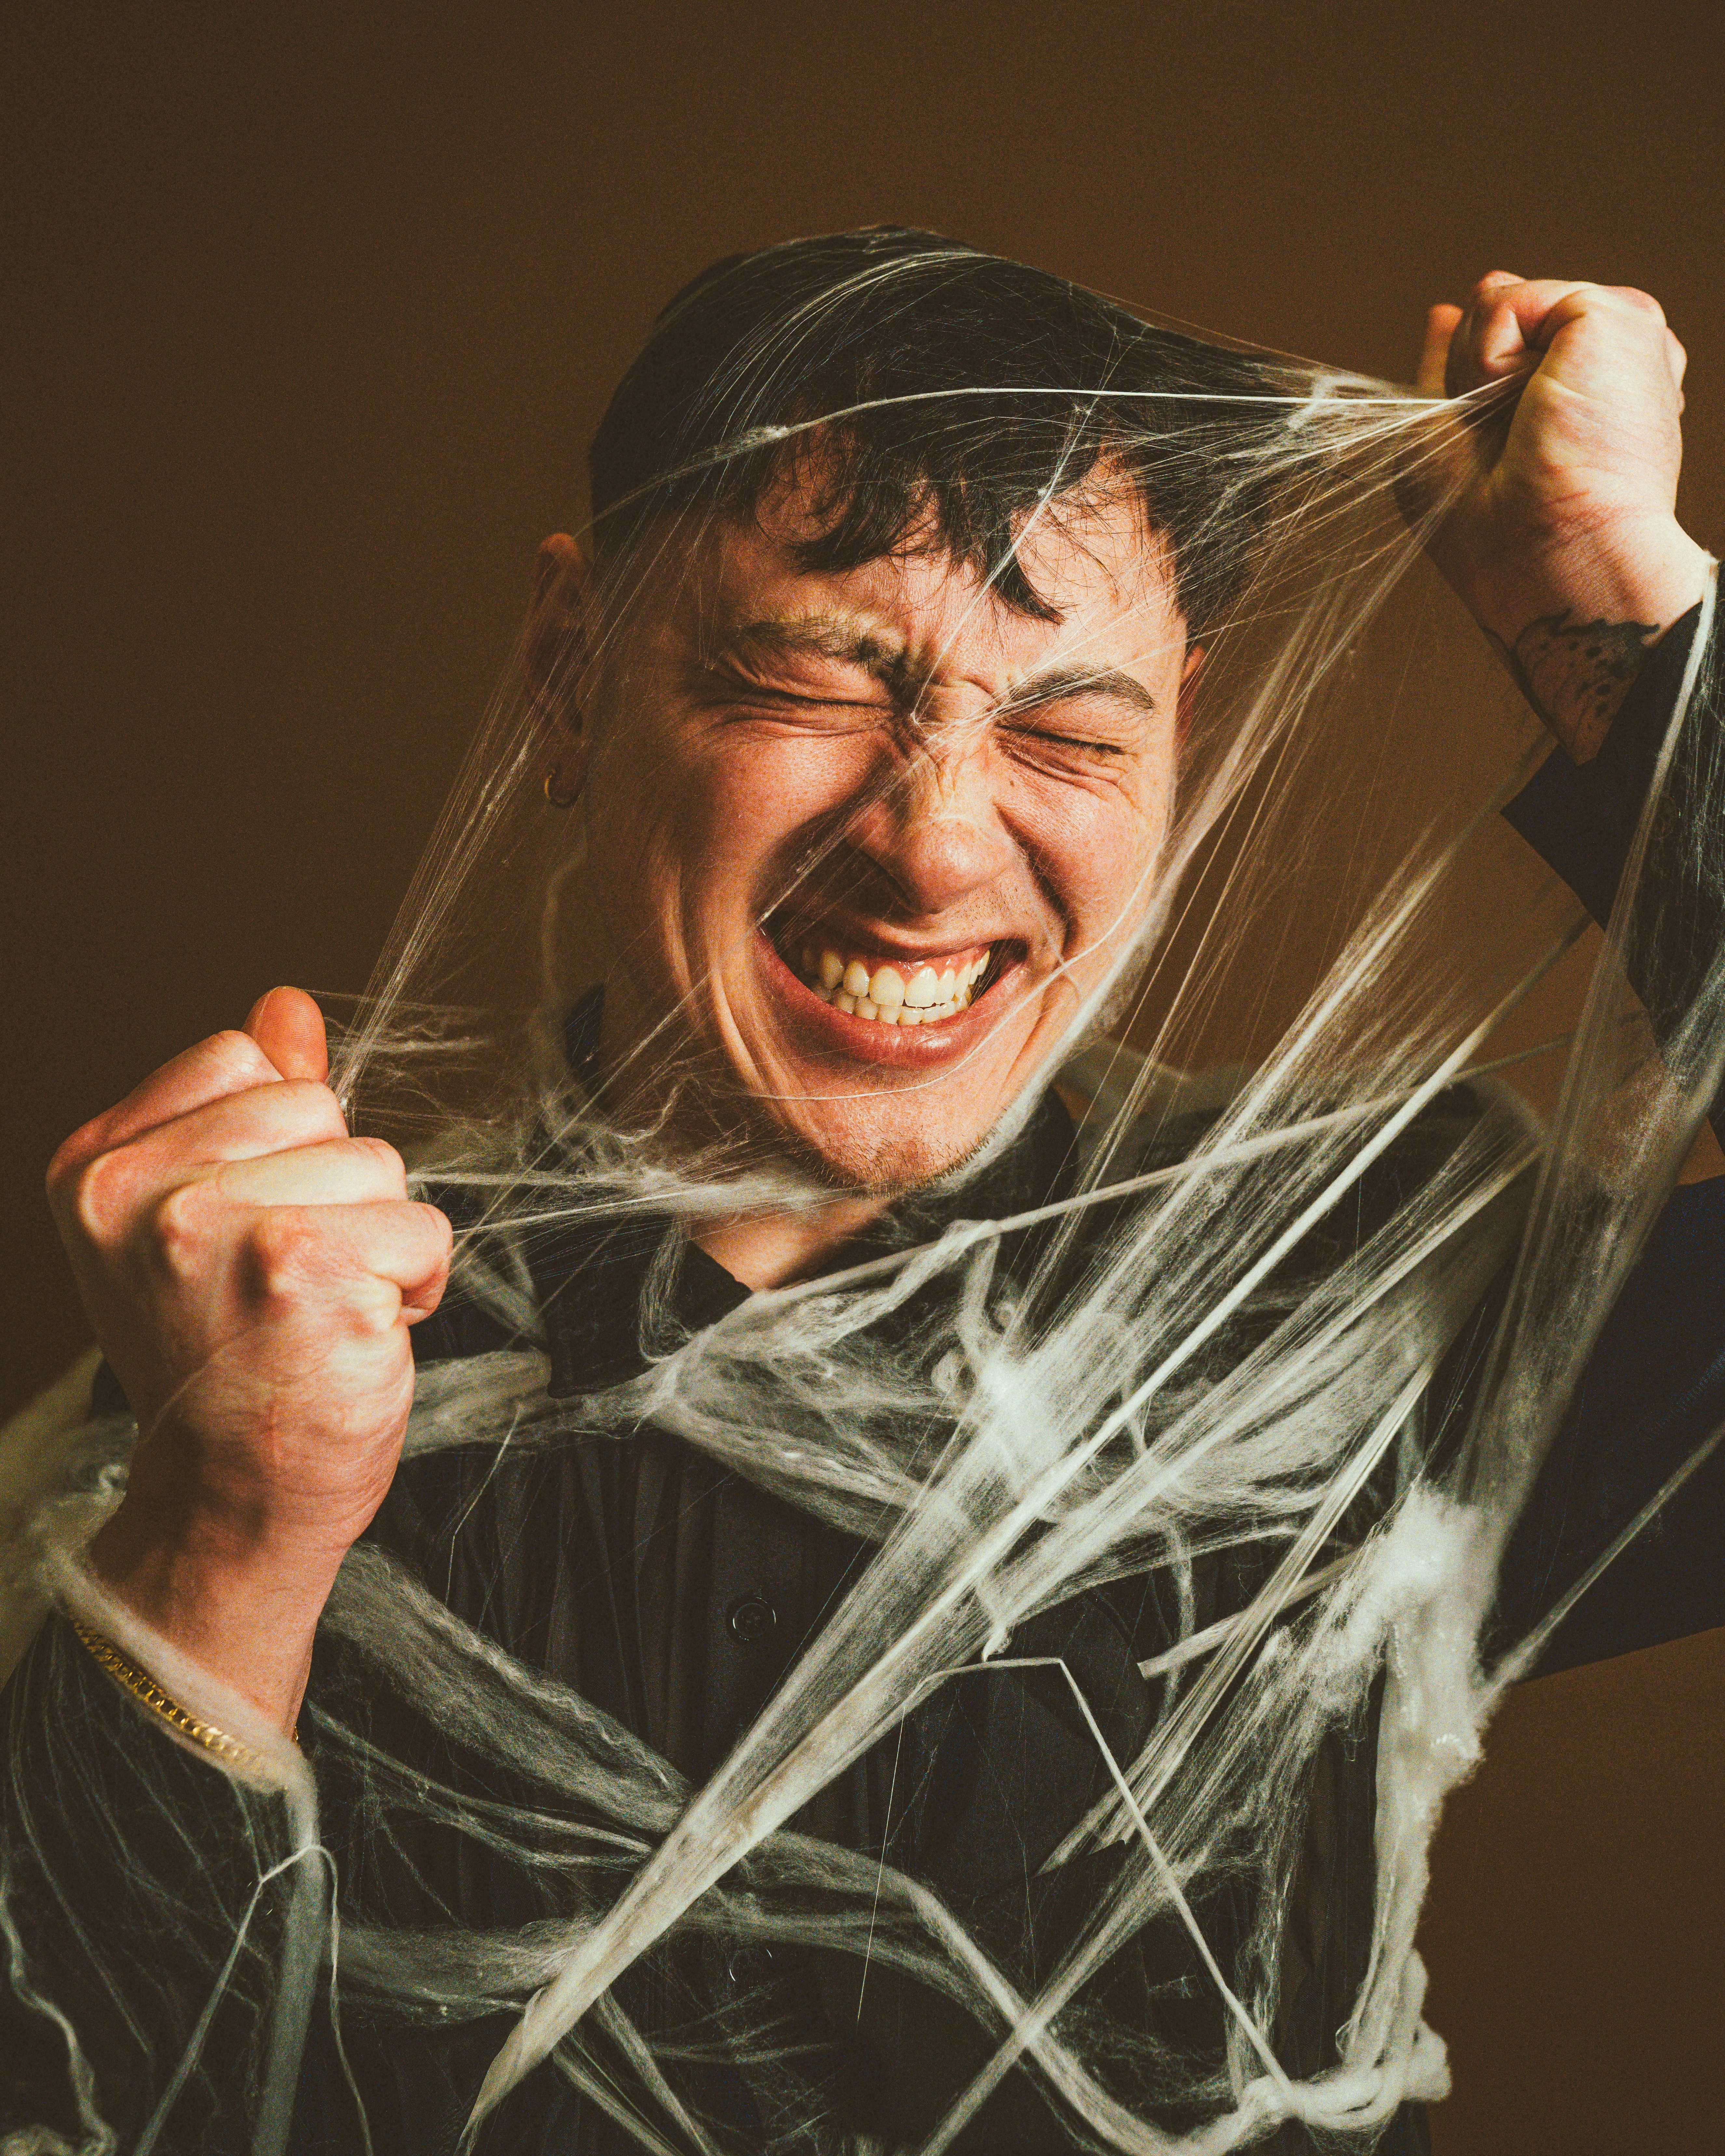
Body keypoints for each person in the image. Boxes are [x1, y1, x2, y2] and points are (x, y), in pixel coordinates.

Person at [4, 230, 1720, 2154]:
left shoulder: (1357, 1298)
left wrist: (1600, 599)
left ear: (1184, 748)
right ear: (569, 678)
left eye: (1069, 727)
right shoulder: (236, 1385)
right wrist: (219, 1548)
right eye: (811, 682)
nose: (930, 843)